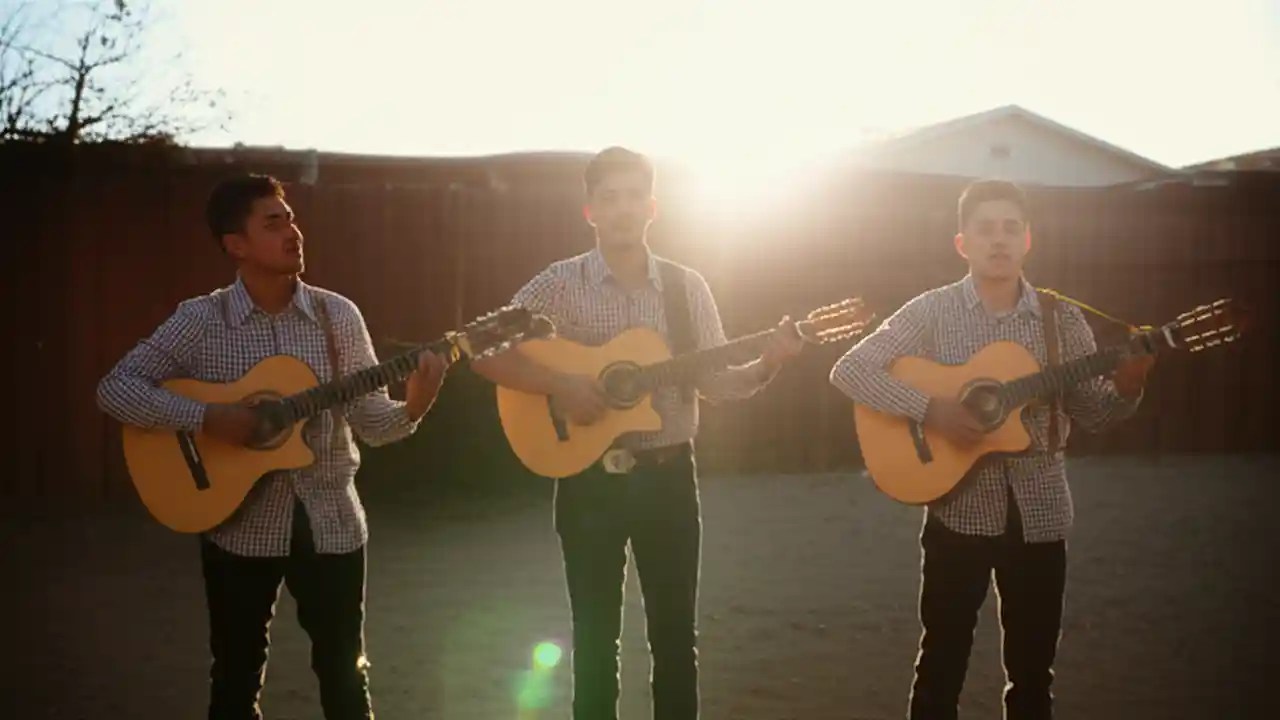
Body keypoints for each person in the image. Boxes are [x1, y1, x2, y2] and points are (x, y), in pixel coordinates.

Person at [96, 173, 450, 720]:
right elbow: (116, 388)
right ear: (235, 245)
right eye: (273, 222)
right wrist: (208, 417)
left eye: (291, 219)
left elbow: (372, 421)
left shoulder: (339, 316)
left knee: (345, 673)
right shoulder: (201, 320)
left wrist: (414, 406)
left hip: (332, 521)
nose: (293, 231)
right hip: (237, 524)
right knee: (235, 678)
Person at [470, 146, 804, 720]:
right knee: (595, 642)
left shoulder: (685, 288)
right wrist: (561, 387)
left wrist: (770, 362)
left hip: (669, 479)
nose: (622, 209)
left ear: (653, 207)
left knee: (676, 641)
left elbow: (714, 382)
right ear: (589, 211)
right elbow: (481, 349)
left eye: (633, 198)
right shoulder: (558, 284)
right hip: (587, 482)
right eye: (609, 198)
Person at [829, 179, 1154, 720]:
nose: (998, 241)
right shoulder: (931, 312)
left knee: (1032, 675)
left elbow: (1094, 414)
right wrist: (931, 410)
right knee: (940, 665)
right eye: (985, 229)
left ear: (1028, 240)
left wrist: (1129, 383)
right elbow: (850, 369)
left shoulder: (1060, 321)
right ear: (963, 243)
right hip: (957, 511)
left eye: (1010, 229)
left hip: (1041, 514)